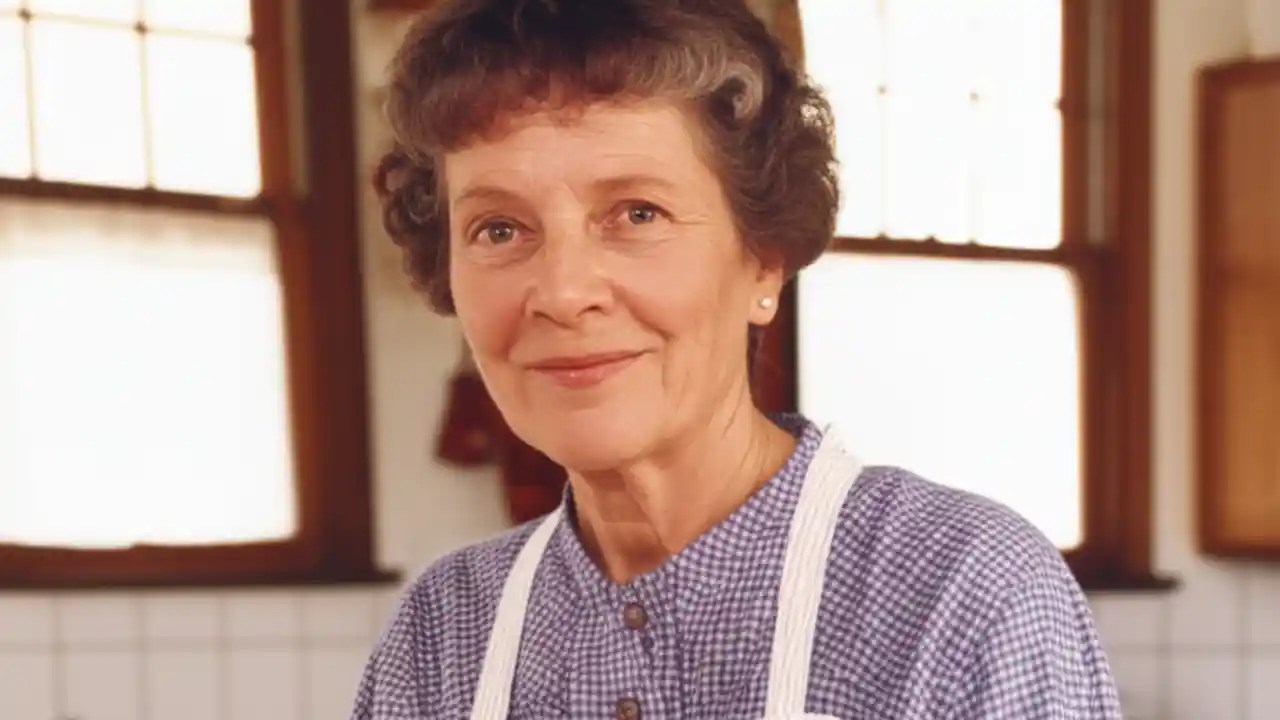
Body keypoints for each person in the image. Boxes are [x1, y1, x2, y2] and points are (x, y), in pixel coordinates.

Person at [353, 0, 1122, 717]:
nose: (562, 292)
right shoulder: (443, 635)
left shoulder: (965, 593)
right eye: (498, 229)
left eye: (636, 213)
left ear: (763, 261)